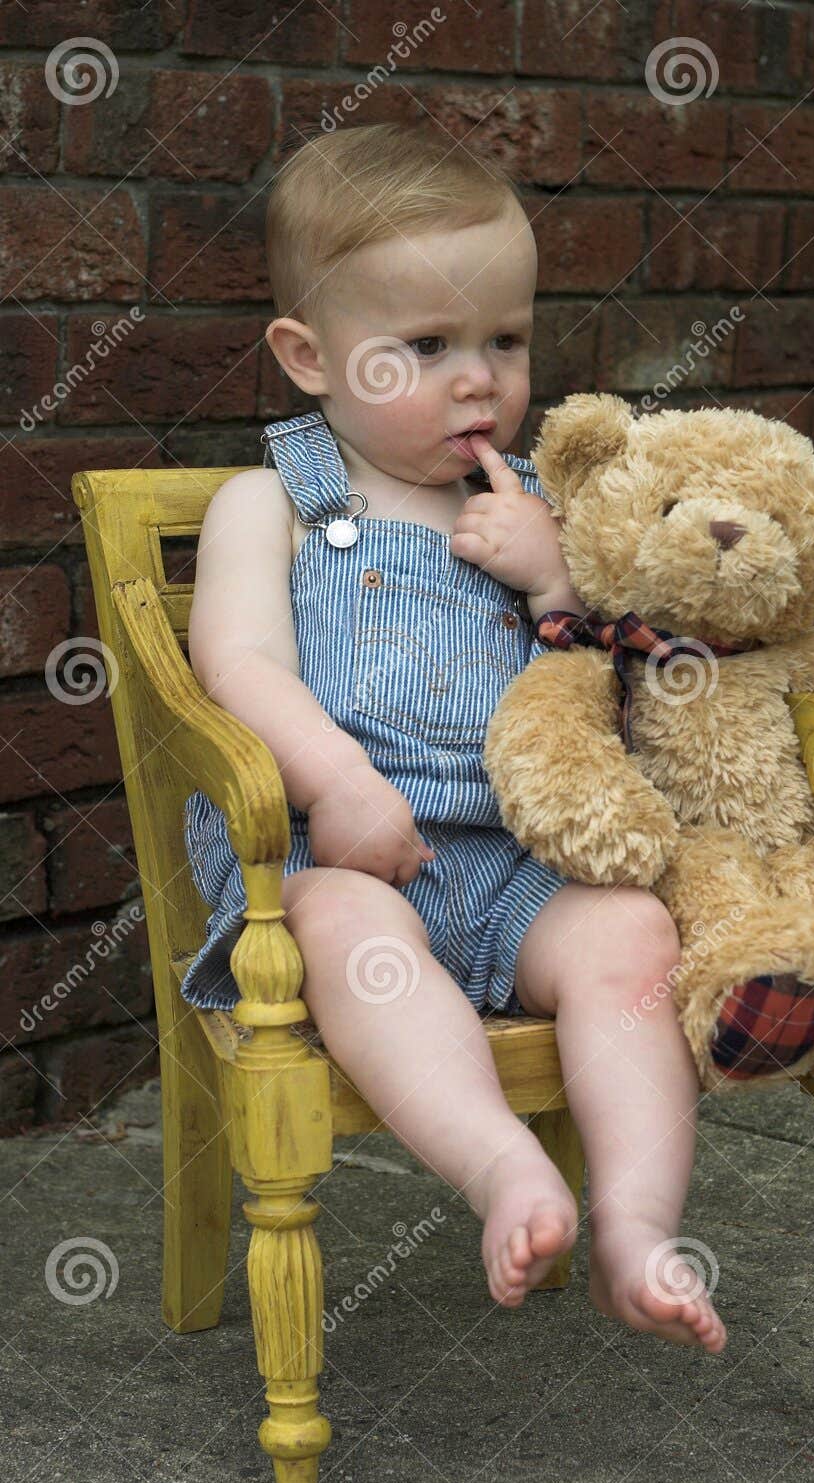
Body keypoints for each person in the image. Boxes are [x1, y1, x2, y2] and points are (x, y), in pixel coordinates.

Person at [181, 122, 725, 1354]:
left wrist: (555, 587)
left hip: (513, 862)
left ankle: (634, 1220)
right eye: (426, 347)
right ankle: (501, 1171)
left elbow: (605, 688)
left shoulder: (529, 505)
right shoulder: (268, 501)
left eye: (504, 340)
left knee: (635, 933)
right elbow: (238, 666)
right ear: (309, 357)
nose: (478, 378)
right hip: (339, 854)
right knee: (344, 927)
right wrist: (334, 782)